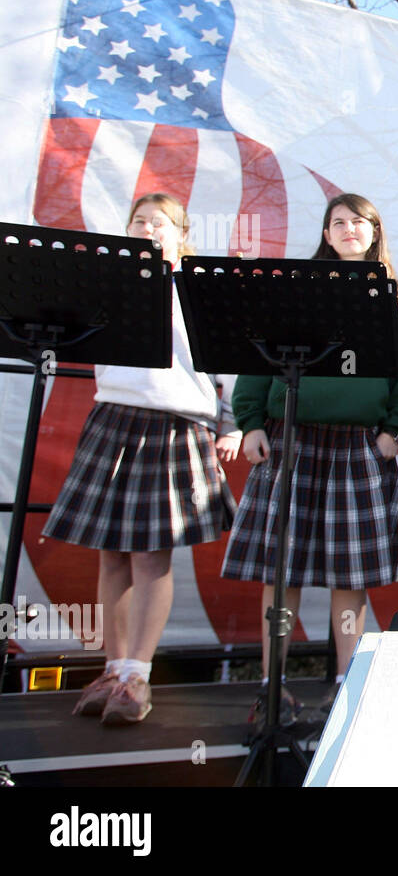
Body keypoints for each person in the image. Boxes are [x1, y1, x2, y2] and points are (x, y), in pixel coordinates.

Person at [220, 193, 398, 722]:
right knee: (279, 572)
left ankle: (344, 686)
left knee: (349, 577)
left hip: (360, 448)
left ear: (375, 230)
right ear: (327, 235)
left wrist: (393, 435)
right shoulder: (294, 290)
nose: (348, 228)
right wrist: (249, 423)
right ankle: (272, 689)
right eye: (338, 222)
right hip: (290, 438)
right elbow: (259, 358)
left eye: (358, 220)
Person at [46, 193, 240, 725]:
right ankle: (112, 666)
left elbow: (229, 367)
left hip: (176, 423)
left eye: (161, 223)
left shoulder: (199, 291)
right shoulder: (112, 286)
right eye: (140, 221)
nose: (149, 228)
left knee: (152, 555)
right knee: (110, 553)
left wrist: (233, 424)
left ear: (182, 237)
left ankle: (138, 675)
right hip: (113, 417)